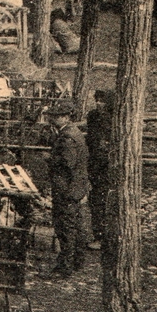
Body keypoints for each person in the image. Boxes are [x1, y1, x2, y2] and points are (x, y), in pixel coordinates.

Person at [46, 100, 90, 278]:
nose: (51, 119)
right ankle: (77, 261)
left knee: (65, 227)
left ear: (65, 117)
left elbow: (67, 163)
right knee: (74, 225)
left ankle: (65, 266)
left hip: (67, 188)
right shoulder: (73, 132)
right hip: (75, 187)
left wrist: (50, 158)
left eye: (55, 116)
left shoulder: (67, 137)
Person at [85, 91, 112, 251]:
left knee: (103, 203)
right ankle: (99, 236)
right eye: (97, 100)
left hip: (107, 167)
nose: (98, 103)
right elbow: (91, 139)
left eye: (102, 101)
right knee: (96, 201)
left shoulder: (113, 119)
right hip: (95, 164)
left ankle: (104, 238)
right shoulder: (93, 116)